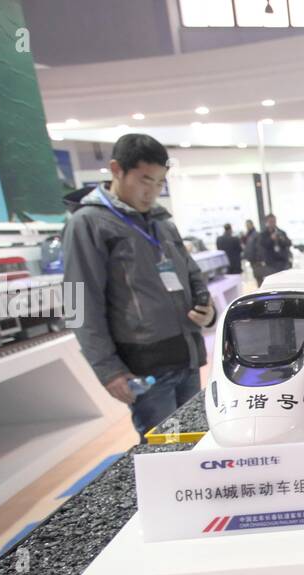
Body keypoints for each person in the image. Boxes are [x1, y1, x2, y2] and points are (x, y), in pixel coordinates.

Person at [62, 133, 215, 441]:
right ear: (117, 169)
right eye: (145, 180)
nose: (153, 192)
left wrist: (208, 309)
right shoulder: (89, 224)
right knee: (165, 454)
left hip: (185, 356)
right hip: (145, 369)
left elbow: (190, 271)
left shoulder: (161, 222)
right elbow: (78, 303)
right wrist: (109, 370)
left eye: (160, 183)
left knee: (195, 447)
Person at [257, 213, 292, 283]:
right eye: (271, 222)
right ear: (267, 222)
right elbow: (263, 245)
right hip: (271, 263)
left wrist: (282, 239)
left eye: (274, 221)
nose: (273, 223)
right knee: (274, 282)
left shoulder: (281, 232)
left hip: (283, 262)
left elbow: (288, 243)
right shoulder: (263, 234)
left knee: (284, 281)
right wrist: (271, 239)